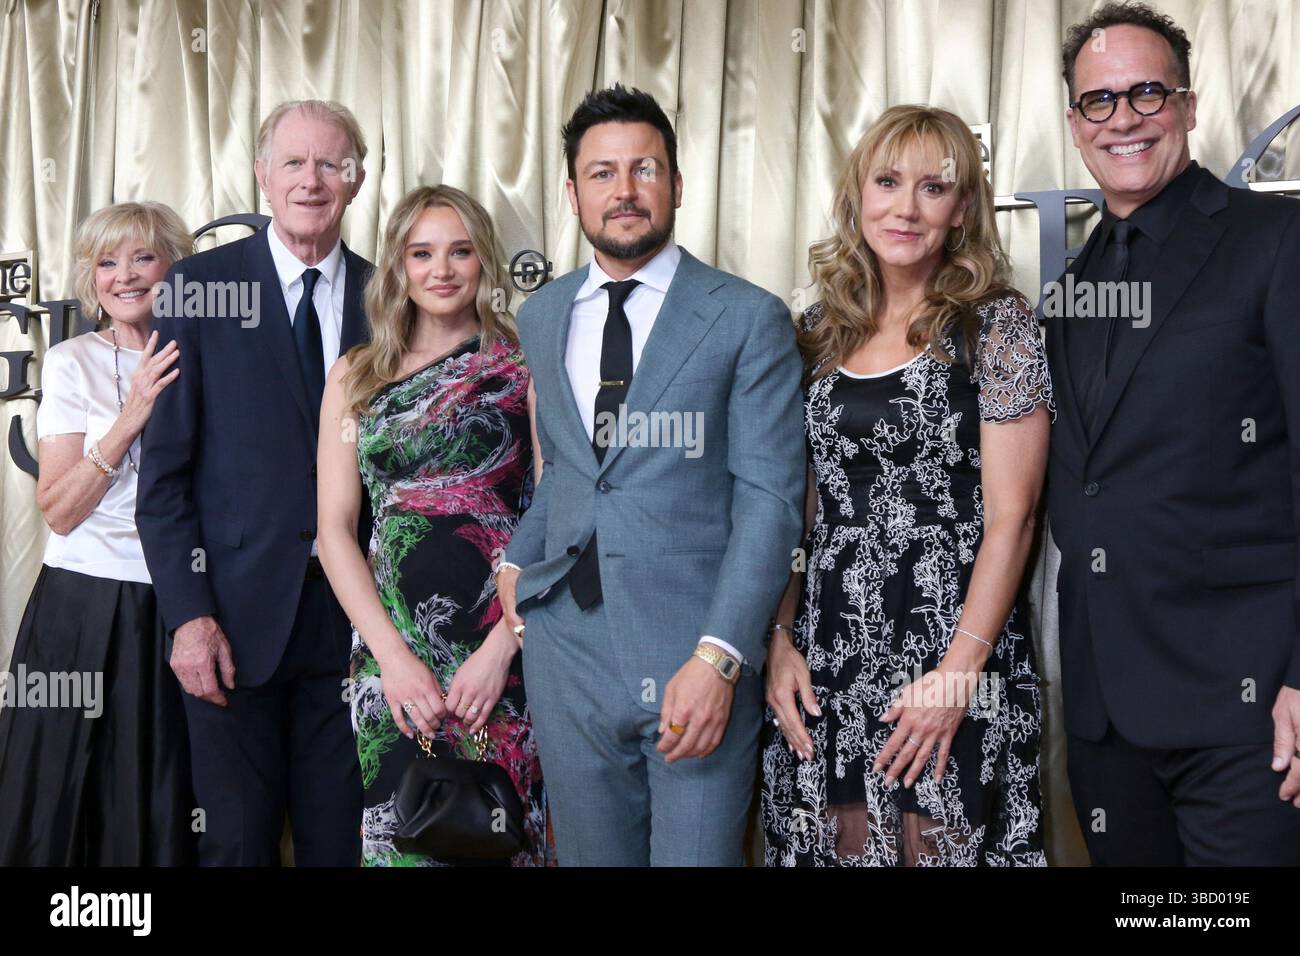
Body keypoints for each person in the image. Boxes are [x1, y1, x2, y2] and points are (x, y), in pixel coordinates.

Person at [494, 84, 805, 867]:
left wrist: (720, 656)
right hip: (567, 652)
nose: (624, 191)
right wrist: (513, 558)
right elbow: (567, 469)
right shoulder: (542, 314)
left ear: (676, 182)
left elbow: (769, 501)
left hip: (692, 651)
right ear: (572, 193)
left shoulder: (746, 316)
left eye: (644, 169)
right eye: (602, 173)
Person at [761, 106, 1052, 866]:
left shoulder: (997, 327)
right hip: (831, 647)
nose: (906, 206)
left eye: (934, 188)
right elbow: (803, 507)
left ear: (962, 210)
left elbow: (1012, 520)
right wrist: (781, 639)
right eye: (888, 182)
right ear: (858, 195)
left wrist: (958, 676)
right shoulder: (820, 329)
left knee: (940, 841)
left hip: (950, 640)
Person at [1046, 2, 1300, 865]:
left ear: (1189, 106)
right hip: (1106, 716)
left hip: (1249, 708)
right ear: (1075, 122)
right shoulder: (1072, 283)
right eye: (1099, 102)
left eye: (1147, 93)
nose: (1124, 118)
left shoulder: (1275, 241)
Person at [136, 100, 372, 866]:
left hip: (356, 629)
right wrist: (188, 617)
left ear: (357, 180)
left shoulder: (392, 297)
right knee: (236, 846)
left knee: (342, 846)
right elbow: (164, 481)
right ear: (263, 177)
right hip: (229, 624)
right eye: (295, 164)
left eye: (331, 164)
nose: (313, 181)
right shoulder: (197, 288)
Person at [316, 185, 550, 866]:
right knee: (403, 845)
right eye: (422, 253)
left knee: (500, 842)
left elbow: (558, 509)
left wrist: (503, 648)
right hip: (391, 659)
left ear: (485, 261)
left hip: (503, 655)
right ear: (398, 266)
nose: (441, 269)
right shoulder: (356, 377)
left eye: (459, 251)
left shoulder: (523, 364)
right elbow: (334, 529)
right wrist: (391, 658)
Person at [0, 201, 195, 865]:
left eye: (143, 257)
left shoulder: (206, 356)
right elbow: (58, 509)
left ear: (175, 267)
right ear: (92, 278)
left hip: (178, 604)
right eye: (108, 262)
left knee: (159, 793)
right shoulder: (70, 361)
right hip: (81, 603)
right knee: (59, 790)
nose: (125, 276)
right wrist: (133, 412)